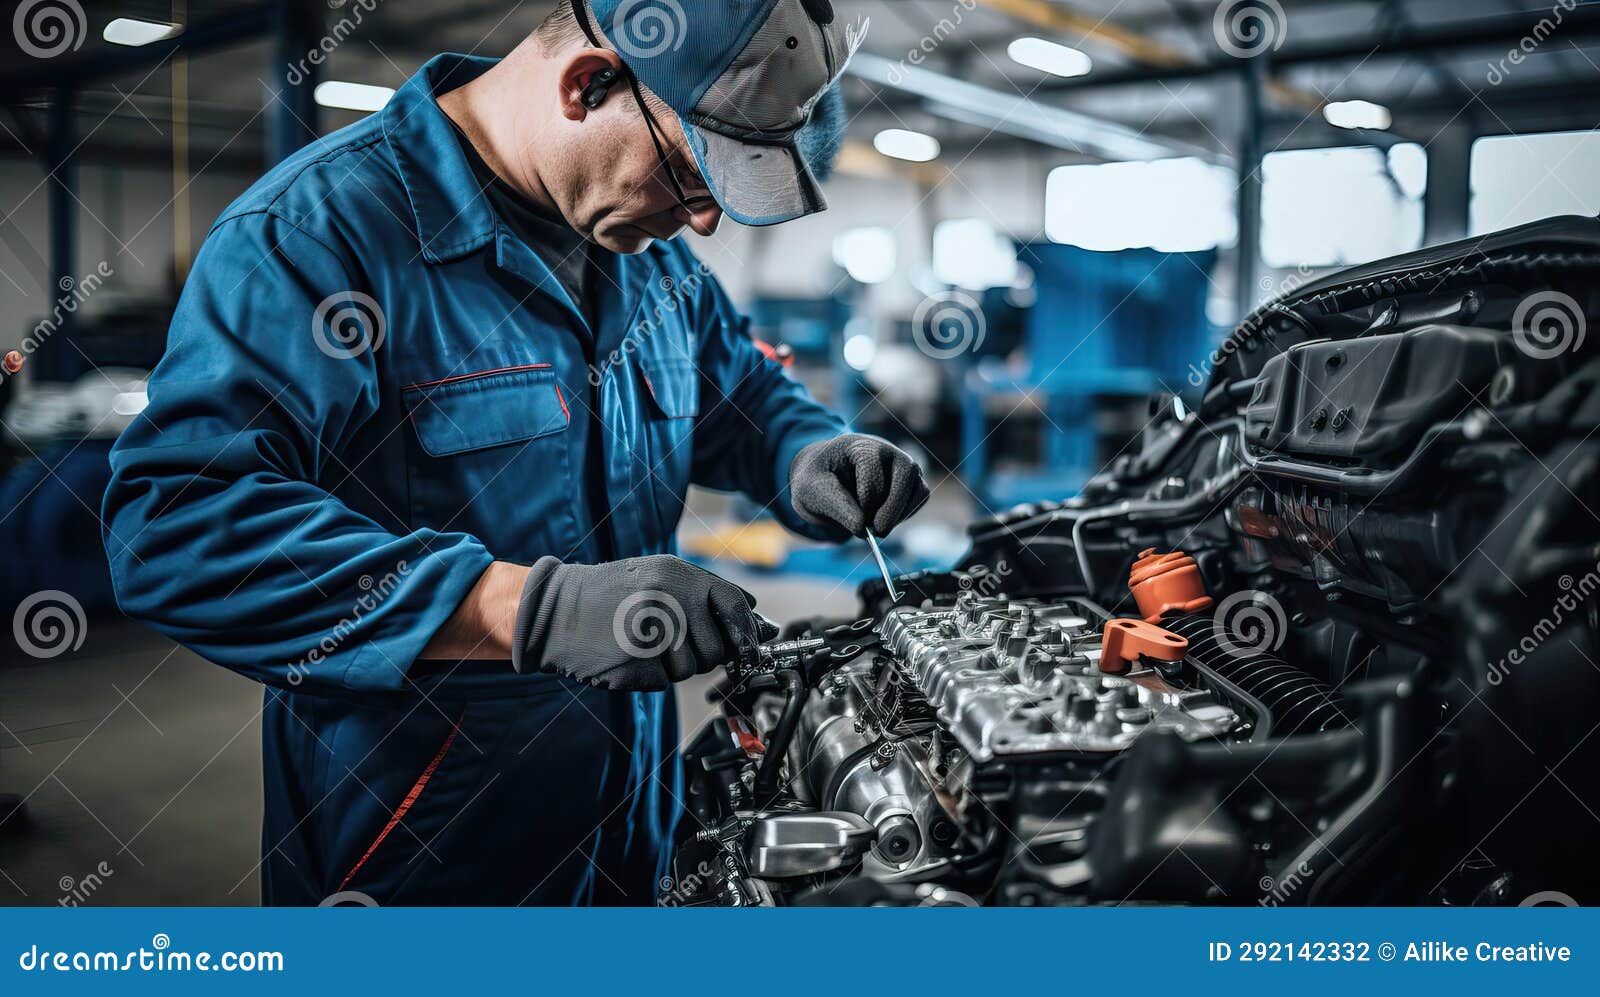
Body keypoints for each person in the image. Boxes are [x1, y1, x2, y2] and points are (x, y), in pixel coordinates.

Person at [100, 0, 927, 905]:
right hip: (422, 840)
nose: (701, 227)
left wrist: (809, 451)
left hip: (630, 811)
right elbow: (176, 527)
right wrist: (530, 610)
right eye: (693, 181)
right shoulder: (316, 238)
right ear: (589, 83)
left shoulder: (643, 253)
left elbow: (740, 397)